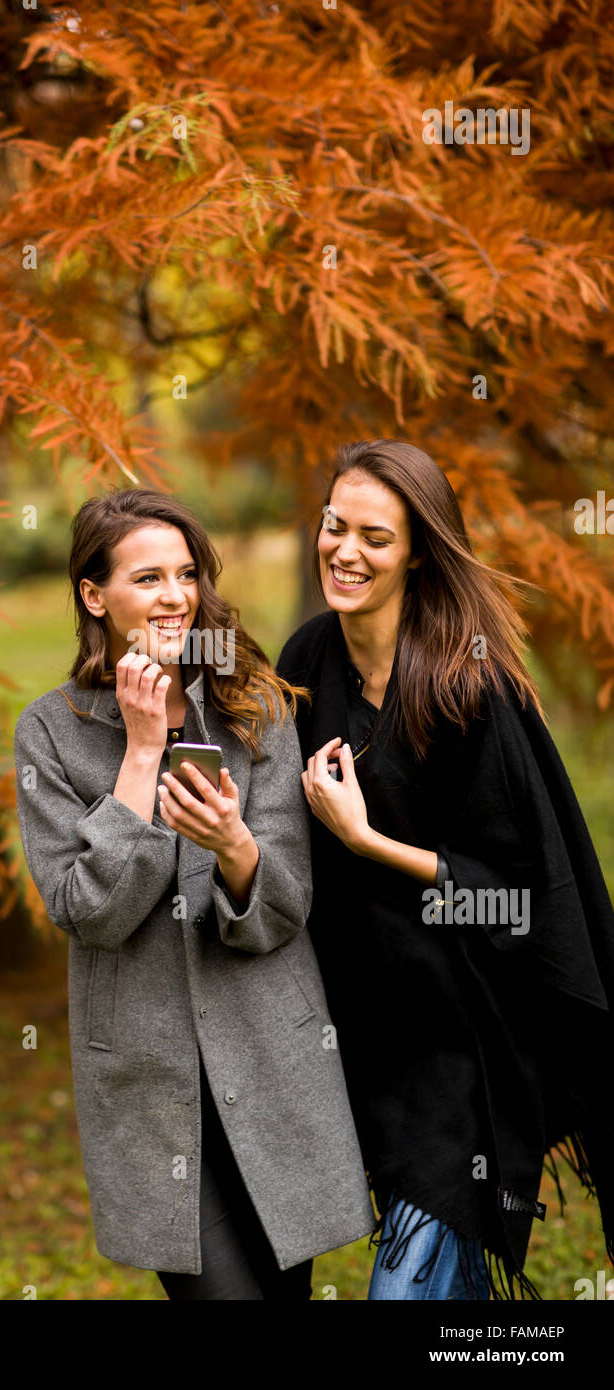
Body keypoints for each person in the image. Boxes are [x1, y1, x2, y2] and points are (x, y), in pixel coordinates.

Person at [14, 487, 374, 1300]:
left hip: (271, 1059)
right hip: (151, 1082)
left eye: (184, 575)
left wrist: (235, 846)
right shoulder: (50, 731)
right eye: (146, 579)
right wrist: (142, 756)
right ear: (93, 594)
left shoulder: (257, 710)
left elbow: (285, 908)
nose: (174, 597)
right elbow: (86, 913)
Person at [276, 438, 614, 1301]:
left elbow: (516, 900)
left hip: (466, 1038)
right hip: (358, 1027)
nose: (344, 552)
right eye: (333, 526)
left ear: (419, 550)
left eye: (375, 538)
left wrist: (368, 842)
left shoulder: (469, 688)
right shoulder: (308, 662)